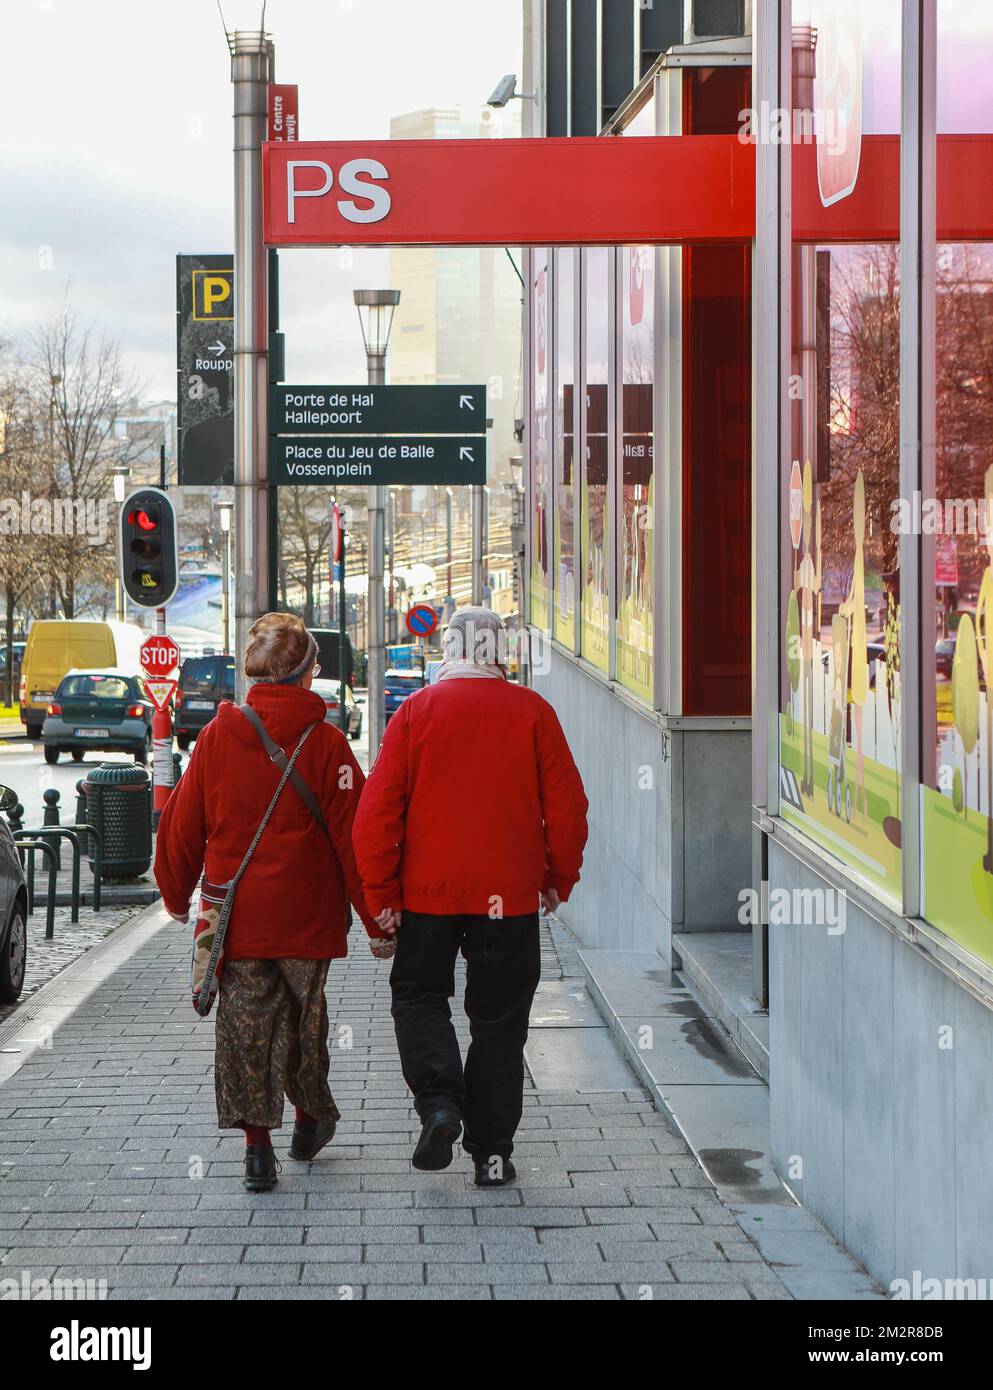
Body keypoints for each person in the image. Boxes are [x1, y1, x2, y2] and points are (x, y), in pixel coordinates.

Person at [352, 606, 588, 1187]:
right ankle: (491, 1152)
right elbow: (569, 810)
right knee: (501, 1022)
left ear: (449, 651)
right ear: (499, 652)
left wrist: (381, 898)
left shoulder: (414, 714)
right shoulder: (533, 713)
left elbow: (374, 818)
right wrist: (559, 878)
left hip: (428, 897)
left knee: (419, 997)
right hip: (508, 900)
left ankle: (438, 1104)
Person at [155, 613, 388, 1192]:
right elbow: (356, 840)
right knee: (305, 1024)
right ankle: (308, 1119)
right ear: (308, 674)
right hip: (308, 919)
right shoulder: (329, 743)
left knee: (245, 1028)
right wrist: (378, 915)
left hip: (238, 917)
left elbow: (184, 823)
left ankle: (257, 1150)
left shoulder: (217, 736)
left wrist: (174, 889)